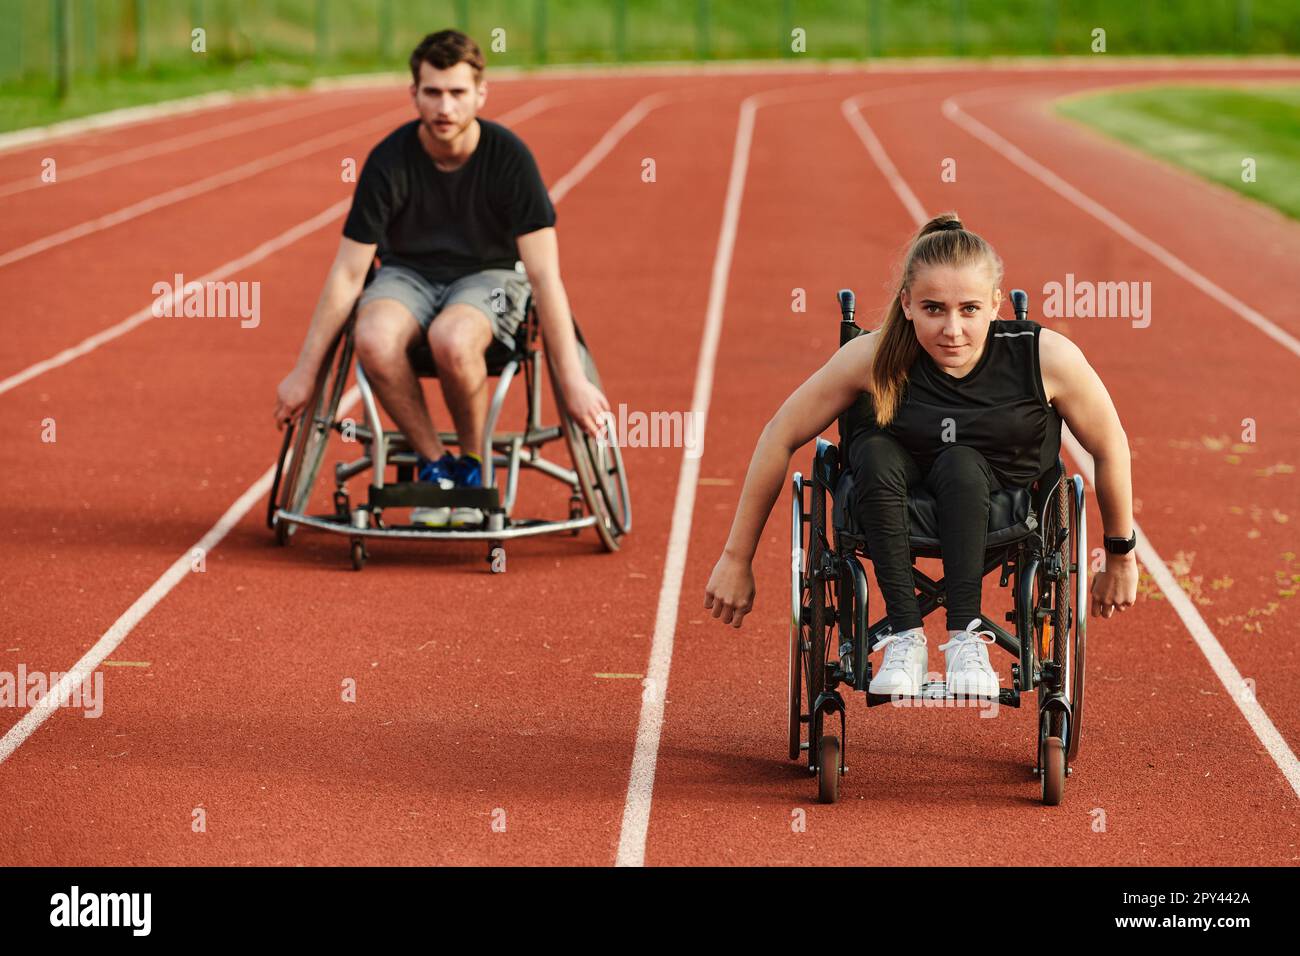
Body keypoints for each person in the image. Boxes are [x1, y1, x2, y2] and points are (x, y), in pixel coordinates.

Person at [704, 213, 1138, 696]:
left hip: (999, 504)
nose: (952, 329)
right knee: (872, 450)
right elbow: (779, 434)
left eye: (969, 309)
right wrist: (735, 558)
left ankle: (965, 635)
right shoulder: (873, 356)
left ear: (995, 304)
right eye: (934, 309)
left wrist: (1120, 555)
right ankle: (904, 636)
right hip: (888, 492)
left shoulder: (1044, 358)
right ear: (906, 304)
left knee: (962, 464)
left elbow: (1109, 443)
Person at [272, 29, 609, 527]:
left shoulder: (509, 159)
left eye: (456, 92)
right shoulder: (389, 160)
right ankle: (437, 466)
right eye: (432, 93)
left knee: (451, 338)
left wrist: (573, 380)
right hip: (408, 275)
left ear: (480, 93)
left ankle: (473, 465)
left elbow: (543, 275)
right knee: (373, 335)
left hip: (491, 278)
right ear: (414, 94)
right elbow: (348, 272)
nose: (444, 107)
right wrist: (303, 372)